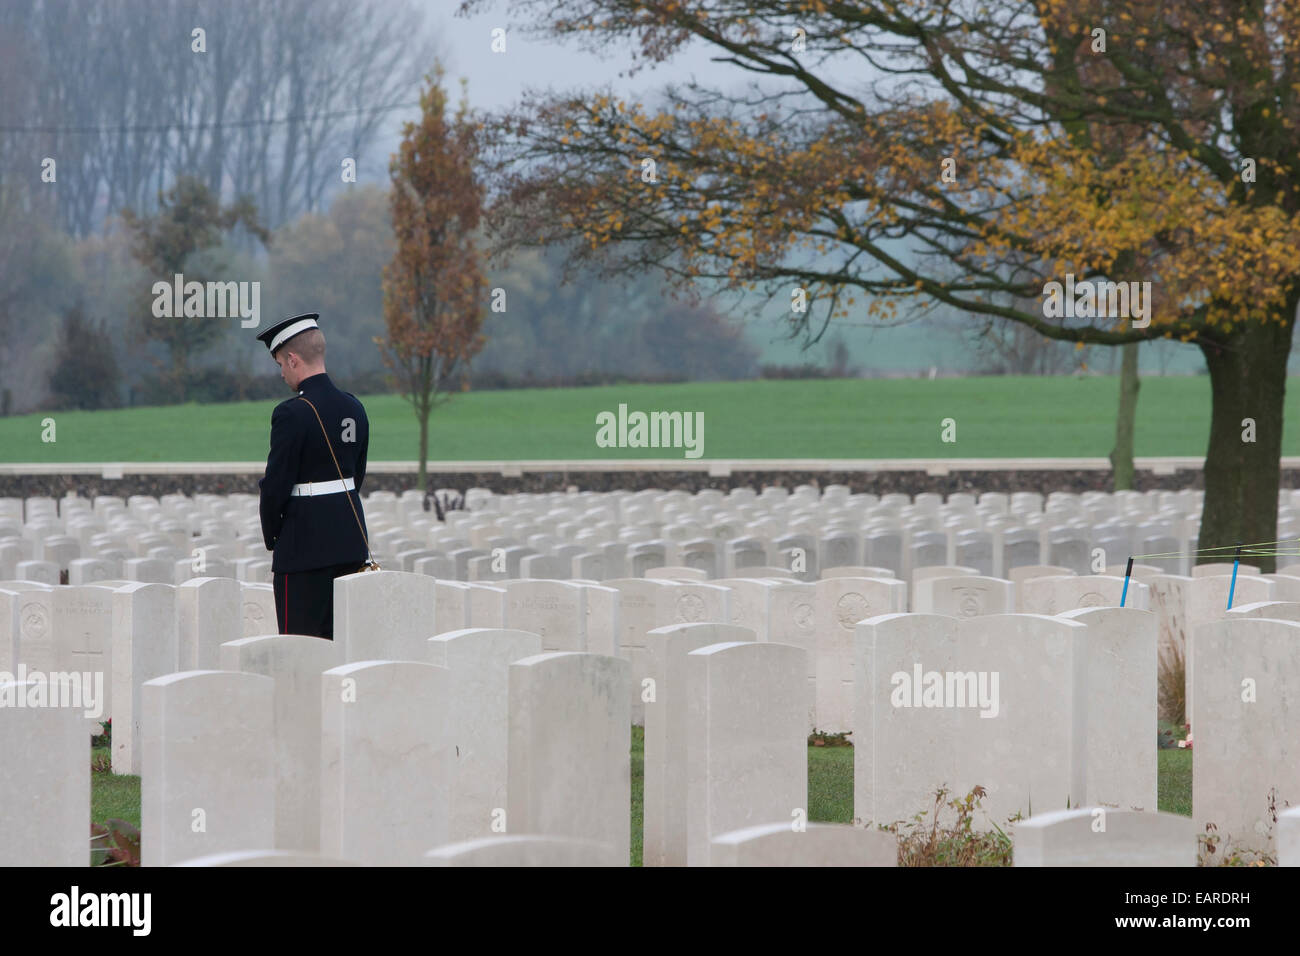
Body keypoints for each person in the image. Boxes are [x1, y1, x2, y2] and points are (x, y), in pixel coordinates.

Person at [255, 313, 371, 639]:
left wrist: (274, 537)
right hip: (351, 541)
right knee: (343, 647)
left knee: (301, 653)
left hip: (304, 548)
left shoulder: (291, 413)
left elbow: (276, 486)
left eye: (280, 363)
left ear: (293, 360)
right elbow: (355, 476)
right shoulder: (354, 407)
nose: (281, 373)